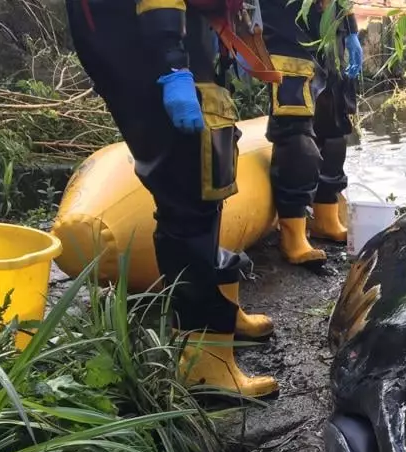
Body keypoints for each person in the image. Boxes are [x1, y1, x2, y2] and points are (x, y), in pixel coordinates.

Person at [65, 0, 278, 398]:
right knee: (186, 189)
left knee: (205, 176)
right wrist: (171, 63)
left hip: (174, 34)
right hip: (150, 39)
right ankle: (204, 367)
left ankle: (220, 320)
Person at [260, 0, 363, 265]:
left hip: (330, 28)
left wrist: (350, 29)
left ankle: (326, 217)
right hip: (287, 25)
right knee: (296, 132)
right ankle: (293, 234)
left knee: (335, 126)